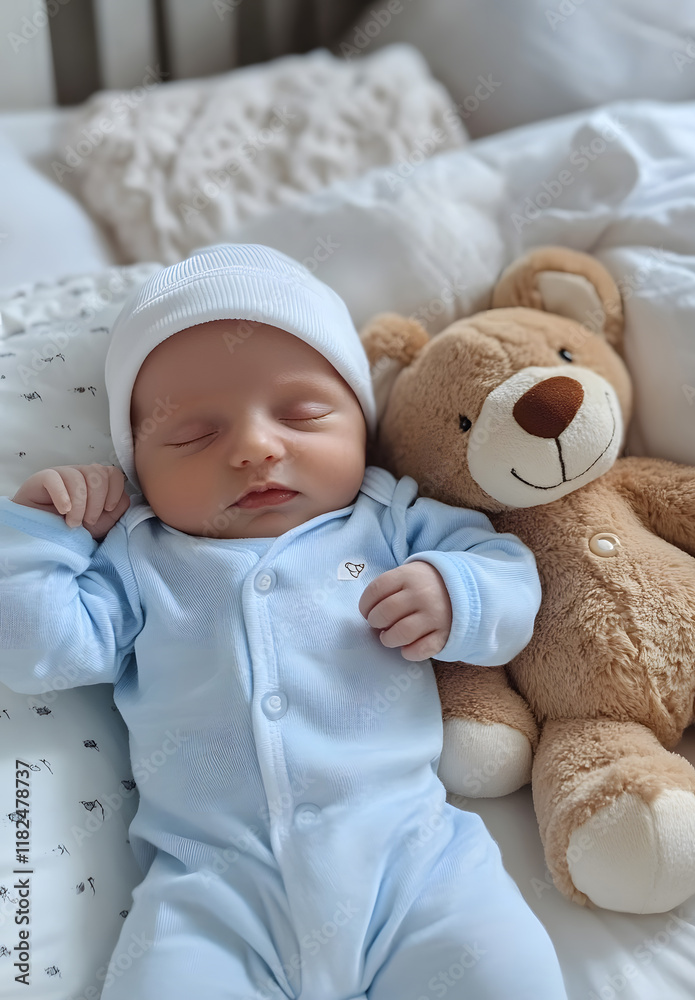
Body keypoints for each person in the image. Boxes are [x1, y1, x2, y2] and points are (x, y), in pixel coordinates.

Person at [0, 244, 567, 999]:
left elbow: (511, 582)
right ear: (138, 464)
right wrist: (43, 535)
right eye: (192, 436)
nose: (256, 448)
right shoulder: (142, 558)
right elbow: (37, 653)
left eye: (301, 415)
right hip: (211, 895)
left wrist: (453, 591)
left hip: (413, 866)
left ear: (360, 427)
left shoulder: (390, 518)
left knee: (505, 976)